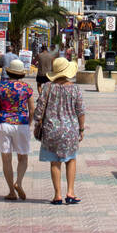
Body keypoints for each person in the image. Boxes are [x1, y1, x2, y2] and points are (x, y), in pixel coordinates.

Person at [33, 56, 86, 205]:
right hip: (70, 130)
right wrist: (81, 129)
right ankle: (70, 192)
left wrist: (37, 122)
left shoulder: (47, 88)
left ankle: (57, 195)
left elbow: (39, 110)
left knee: (54, 162)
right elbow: (80, 111)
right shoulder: (75, 89)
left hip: (51, 130)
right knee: (71, 159)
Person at [0, 59, 33, 200]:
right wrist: (29, 123)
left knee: (6, 159)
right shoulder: (26, 88)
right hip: (21, 124)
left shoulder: (0, 87)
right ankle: (18, 182)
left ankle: (11, 192)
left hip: (4, 124)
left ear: (8, 72)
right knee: (23, 157)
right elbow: (32, 109)